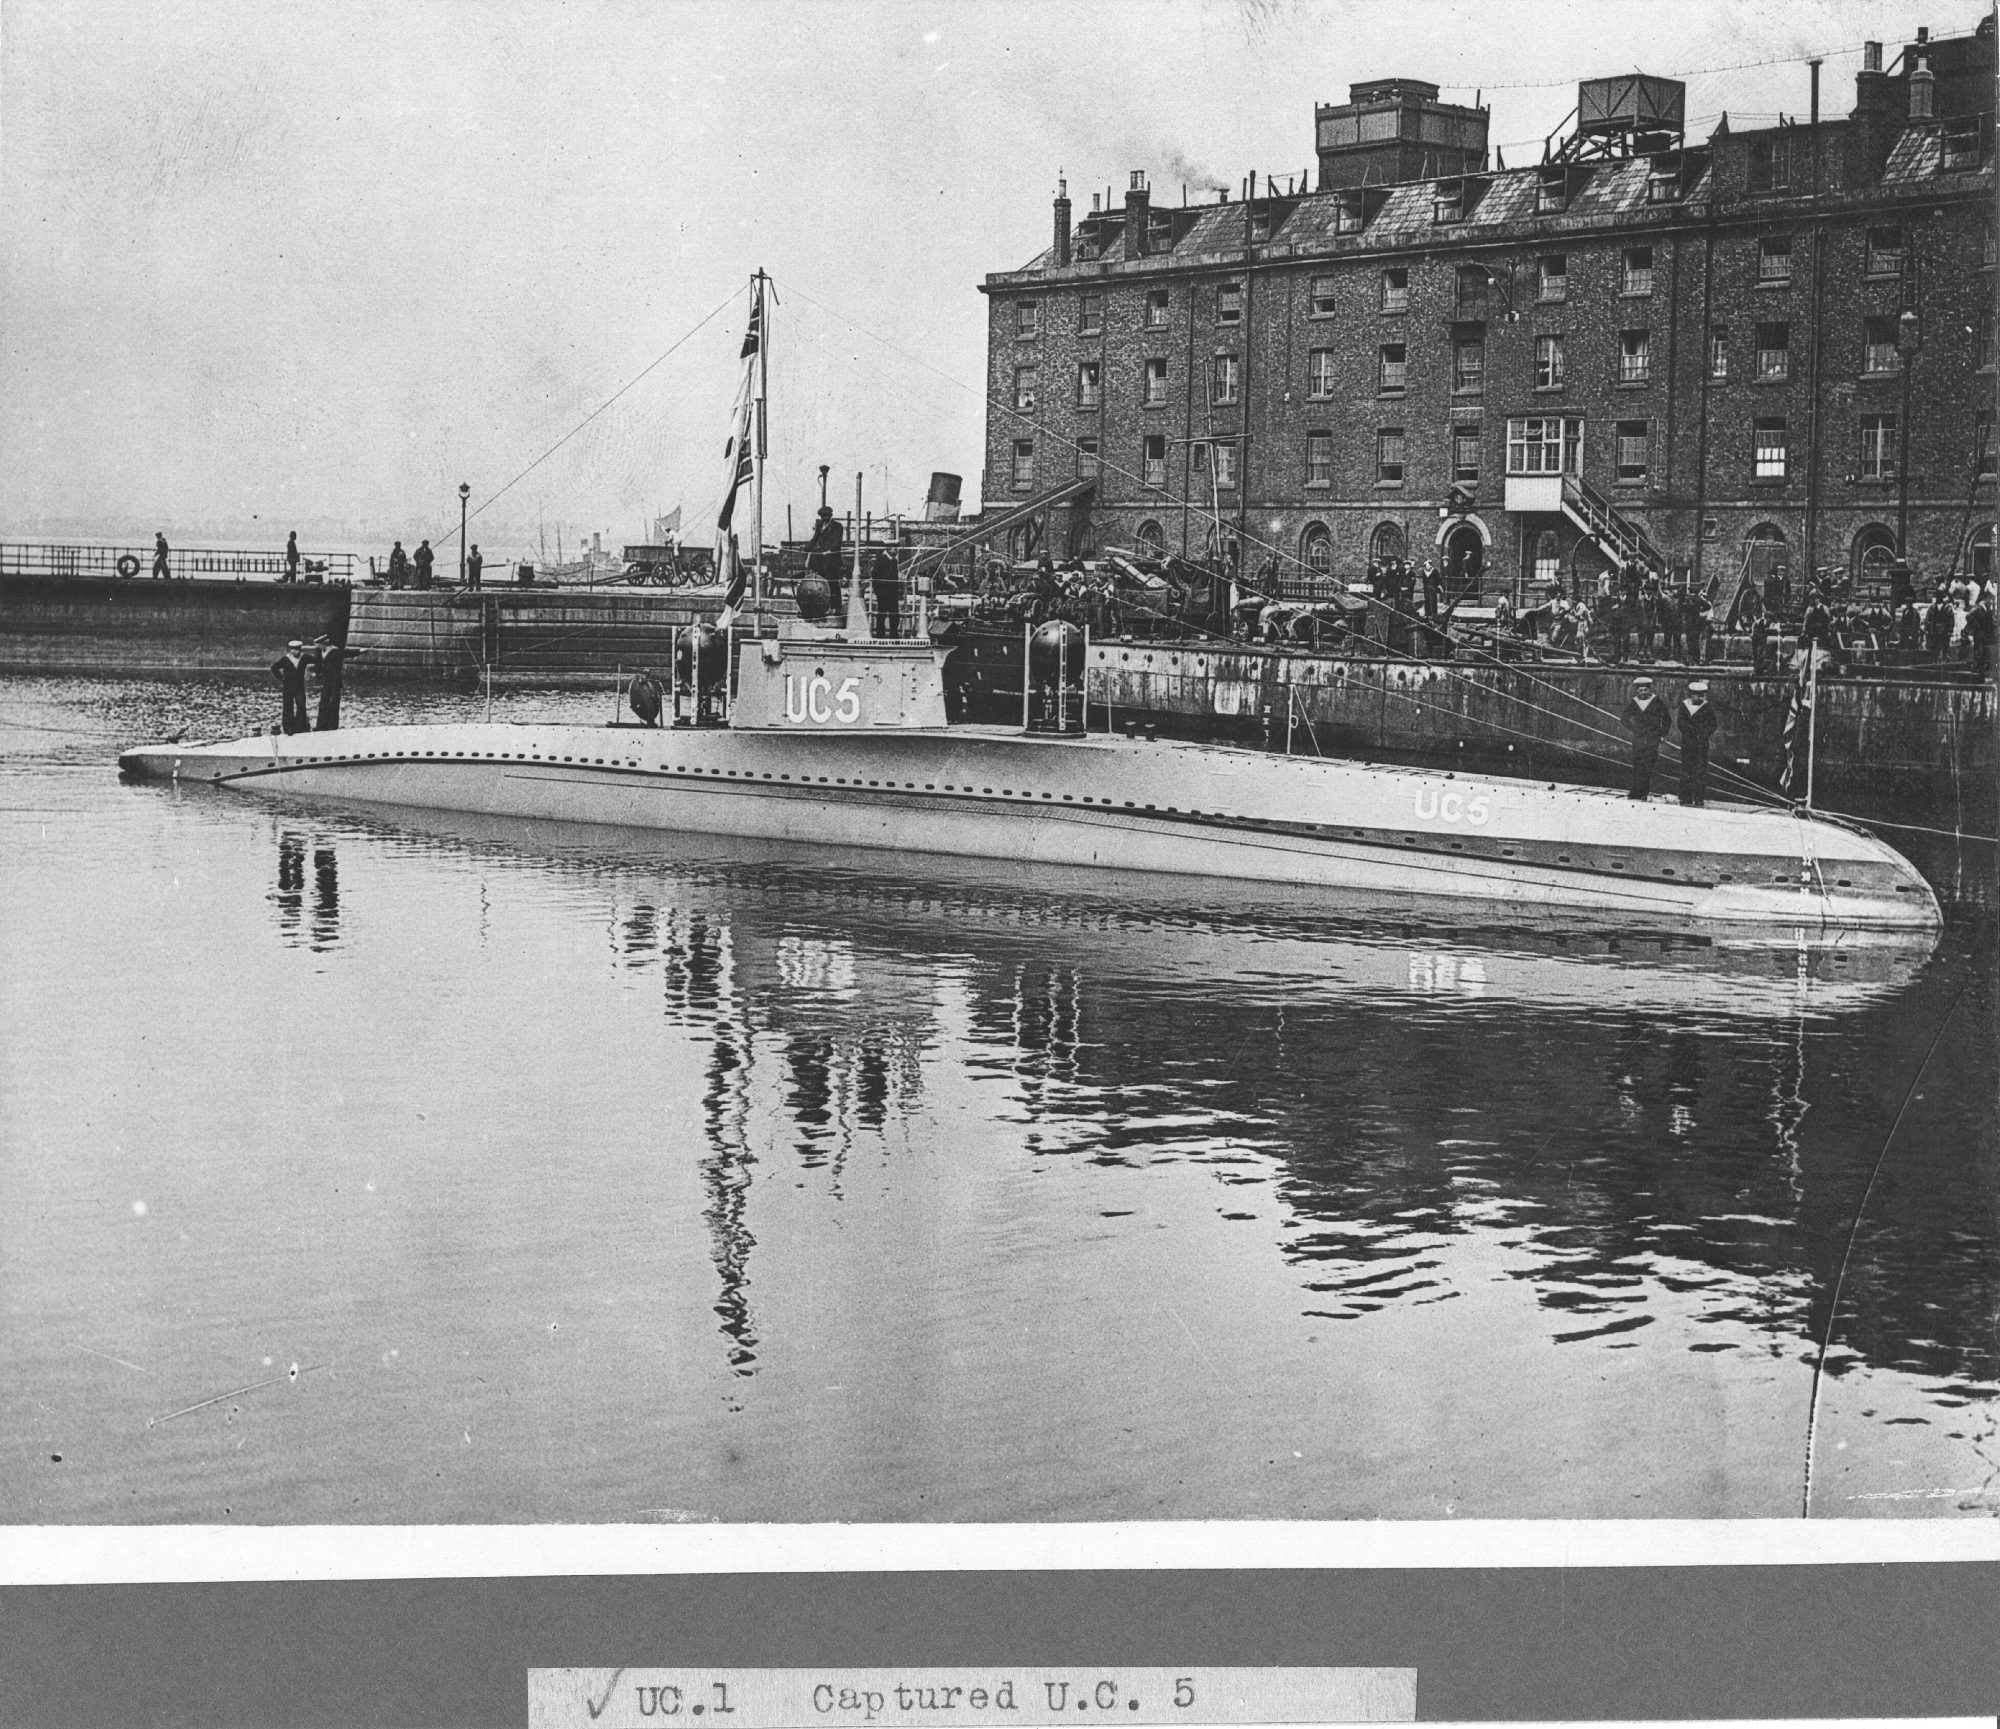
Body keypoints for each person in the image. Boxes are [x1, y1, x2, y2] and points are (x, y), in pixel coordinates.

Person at [1622, 675, 1671, 800]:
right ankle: (1635, 791)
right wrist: (1634, 729)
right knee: (1637, 764)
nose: (1643, 693)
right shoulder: (1634, 702)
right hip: (1638, 739)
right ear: (1637, 691)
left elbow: (1666, 719)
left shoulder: (1657, 702)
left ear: (1650, 690)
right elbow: (1624, 719)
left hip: (1652, 739)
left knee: (1648, 765)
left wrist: (1662, 734)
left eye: (1645, 690)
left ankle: (1644, 791)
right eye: (1640, 690)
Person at [1675, 679, 1718, 806]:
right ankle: (1685, 797)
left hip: (1701, 744)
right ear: (1691, 694)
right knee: (1686, 769)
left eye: (1701, 695)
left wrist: (1703, 734)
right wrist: (1690, 733)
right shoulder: (1684, 706)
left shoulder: (1707, 707)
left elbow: (1713, 725)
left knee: (1700, 770)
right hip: (1687, 742)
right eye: (1696, 694)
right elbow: (1681, 723)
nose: (1699, 697)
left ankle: (1699, 798)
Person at [310, 636, 366, 732]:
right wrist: (316, 672)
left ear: (324, 644)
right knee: (323, 702)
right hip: (327, 680)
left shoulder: (335, 651)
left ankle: (332, 726)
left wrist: (359, 651)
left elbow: (347, 653)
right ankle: (321, 726)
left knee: (333, 702)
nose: (319, 647)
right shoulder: (321, 652)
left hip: (335, 681)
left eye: (320, 645)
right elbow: (319, 665)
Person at [271, 640, 312, 735]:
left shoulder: (304, 657)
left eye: (297, 649)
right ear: (290, 650)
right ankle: (288, 727)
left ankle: (301, 727)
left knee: (301, 705)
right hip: (288, 687)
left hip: (299, 687)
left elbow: (317, 660)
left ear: (300, 649)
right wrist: (282, 678)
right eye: (293, 649)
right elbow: (274, 668)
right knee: (288, 706)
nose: (296, 651)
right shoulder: (285, 659)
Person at [1969, 592, 1996, 678]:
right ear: (1985, 599)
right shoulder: (1977, 608)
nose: (1991, 602)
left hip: (1985, 634)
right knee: (1978, 651)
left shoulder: (1987, 609)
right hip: (1979, 633)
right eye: (1990, 600)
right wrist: (1976, 626)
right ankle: (1976, 669)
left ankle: (1981, 669)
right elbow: (1968, 616)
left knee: (1984, 651)